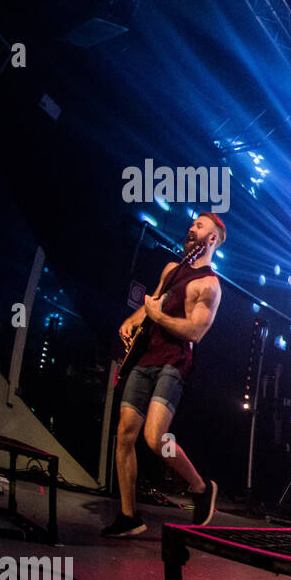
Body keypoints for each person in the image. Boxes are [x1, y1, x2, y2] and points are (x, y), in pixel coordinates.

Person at [109, 213, 225, 536]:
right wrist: (134, 319)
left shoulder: (210, 285)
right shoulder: (171, 271)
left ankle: (200, 487)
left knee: (155, 437)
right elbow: (153, 306)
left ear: (212, 239)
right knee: (125, 433)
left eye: (200, 226)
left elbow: (196, 332)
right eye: (193, 224)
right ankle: (129, 517)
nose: (192, 229)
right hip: (146, 357)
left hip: (174, 361)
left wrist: (159, 318)